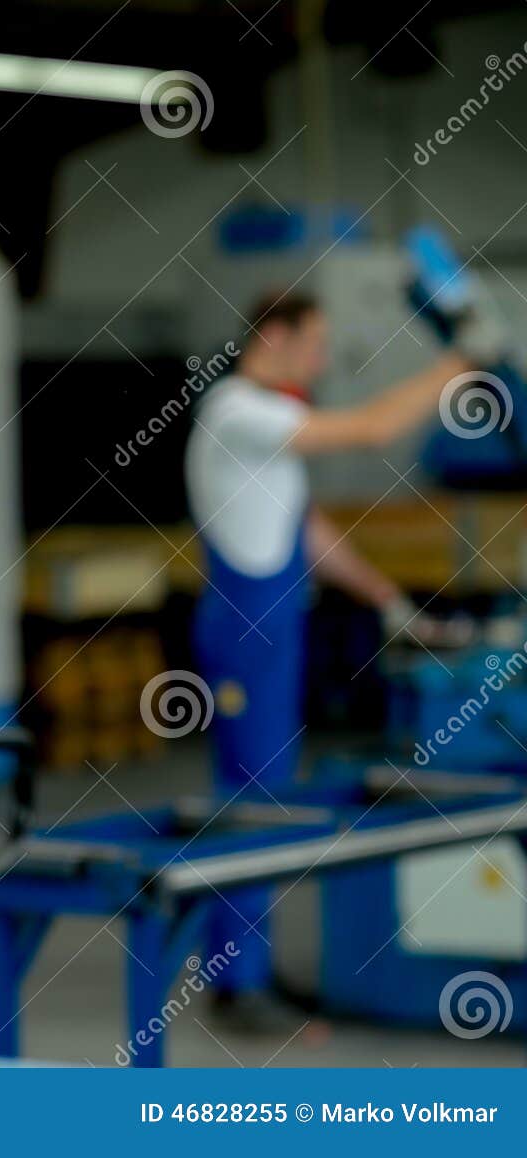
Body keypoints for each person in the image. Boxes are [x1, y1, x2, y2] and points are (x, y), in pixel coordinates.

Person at [183, 287, 488, 1033]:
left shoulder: (272, 433)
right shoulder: (236, 412)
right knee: (247, 801)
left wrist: (392, 602)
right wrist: (459, 363)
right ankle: (235, 986)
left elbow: (312, 536)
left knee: (270, 794)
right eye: (315, 343)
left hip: (275, 631)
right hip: (245, 633)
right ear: (273, 336)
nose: (323, 360)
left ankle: (249, 967)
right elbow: (377, 427)